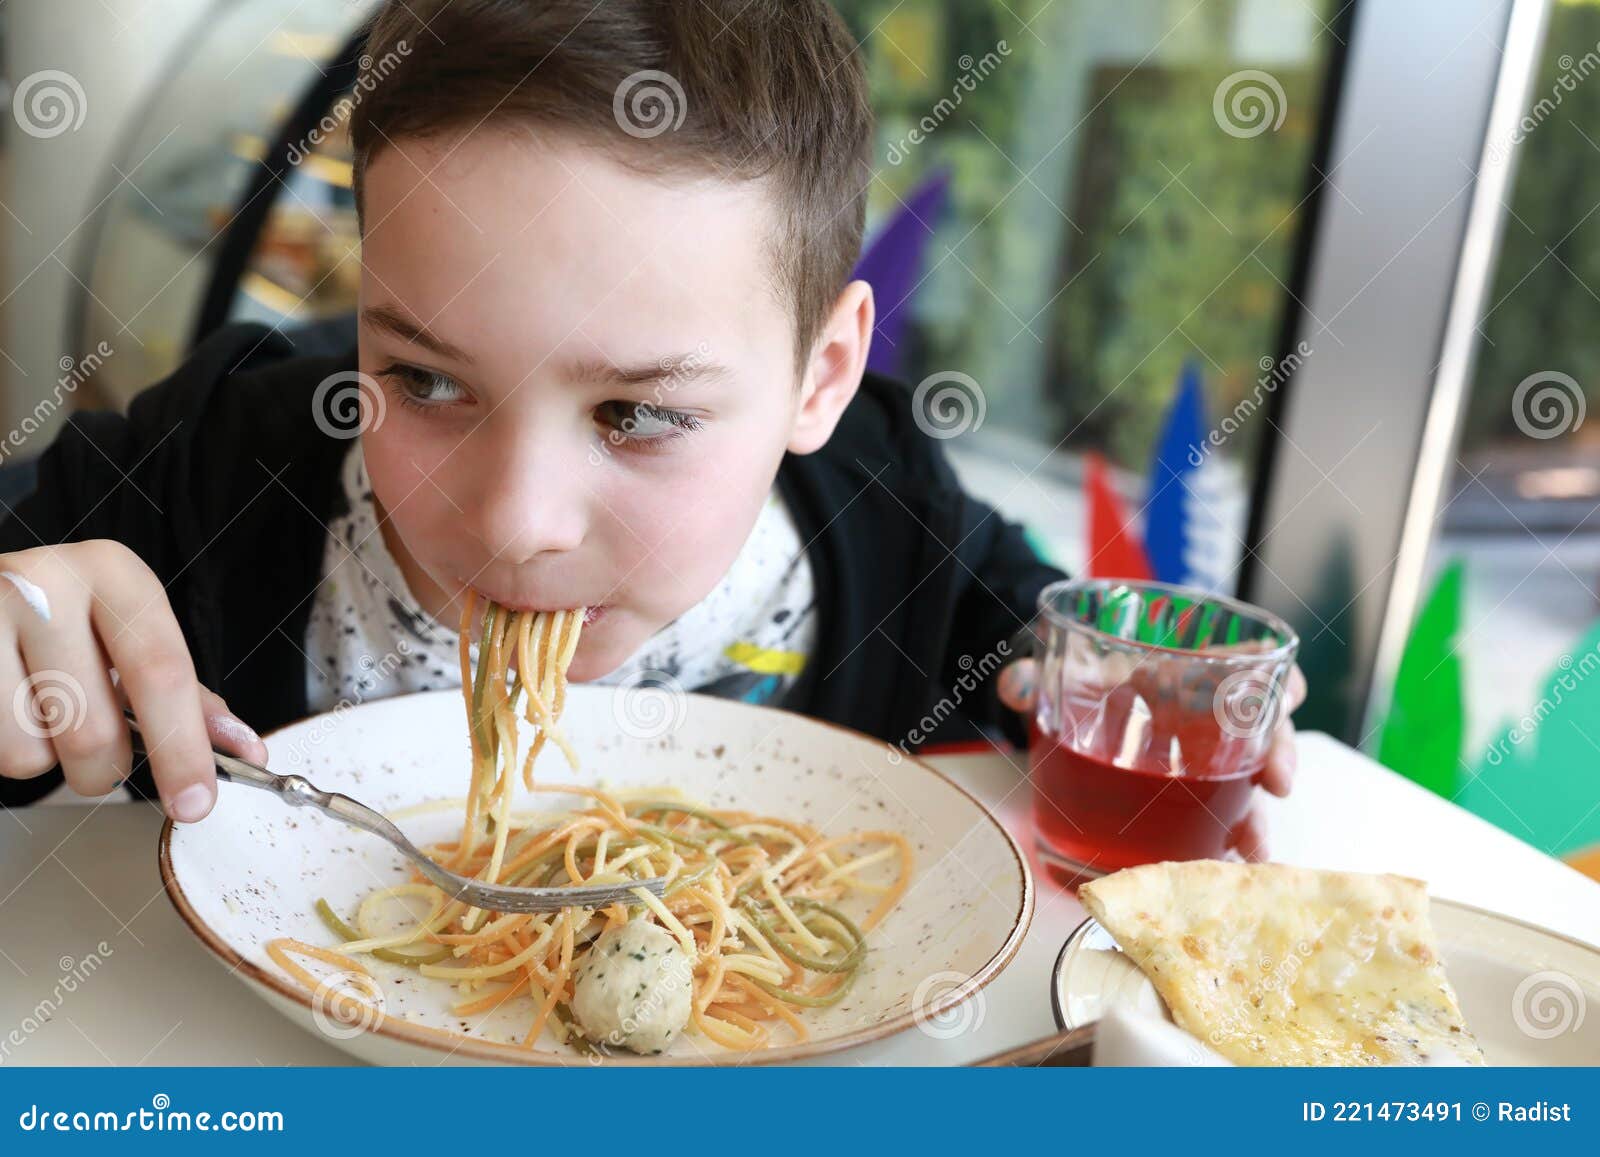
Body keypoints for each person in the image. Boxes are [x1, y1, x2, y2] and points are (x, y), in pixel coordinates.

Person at [0, 0, 1299, 857]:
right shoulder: (218, 466)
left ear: (820, 374)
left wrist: (1121, 695)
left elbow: (1018, 625)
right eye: (428, 380)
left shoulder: (882, 505)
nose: (516, 523)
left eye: (639, 414)